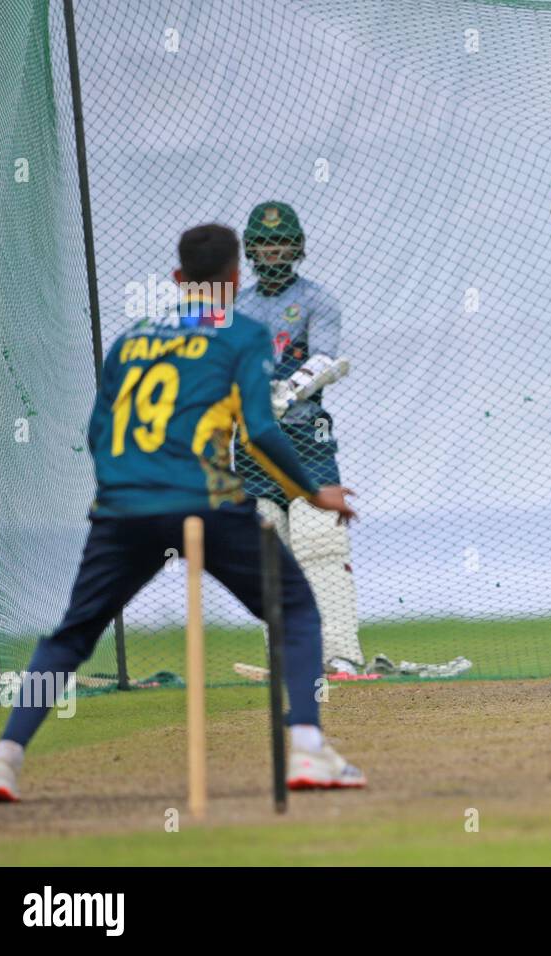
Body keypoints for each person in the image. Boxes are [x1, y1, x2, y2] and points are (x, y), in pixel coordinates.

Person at [0, 224, 365, 803]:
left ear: (180, 280)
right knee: (295, 609)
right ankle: (307, 748)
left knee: (73, 635)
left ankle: (2, 762)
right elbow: (259, 431)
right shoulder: (243, 334)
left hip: (123, 508)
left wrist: (121, 498)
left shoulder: (131, 339)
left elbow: (97, 432)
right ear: (236, 278)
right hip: (206, 502)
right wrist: (315, 491)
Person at [235, 202, 366, 675]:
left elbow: (326, 360)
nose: (274, 250)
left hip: (306, 437)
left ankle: (342, 655)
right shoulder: (237, 307)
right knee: (269, 553)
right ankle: (289, 656)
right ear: (250, 249)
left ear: (299, 248)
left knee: (322, 547)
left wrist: (285, 392)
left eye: (283, 242)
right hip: (252, 446)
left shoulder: (318, 300)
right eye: (266, 242)